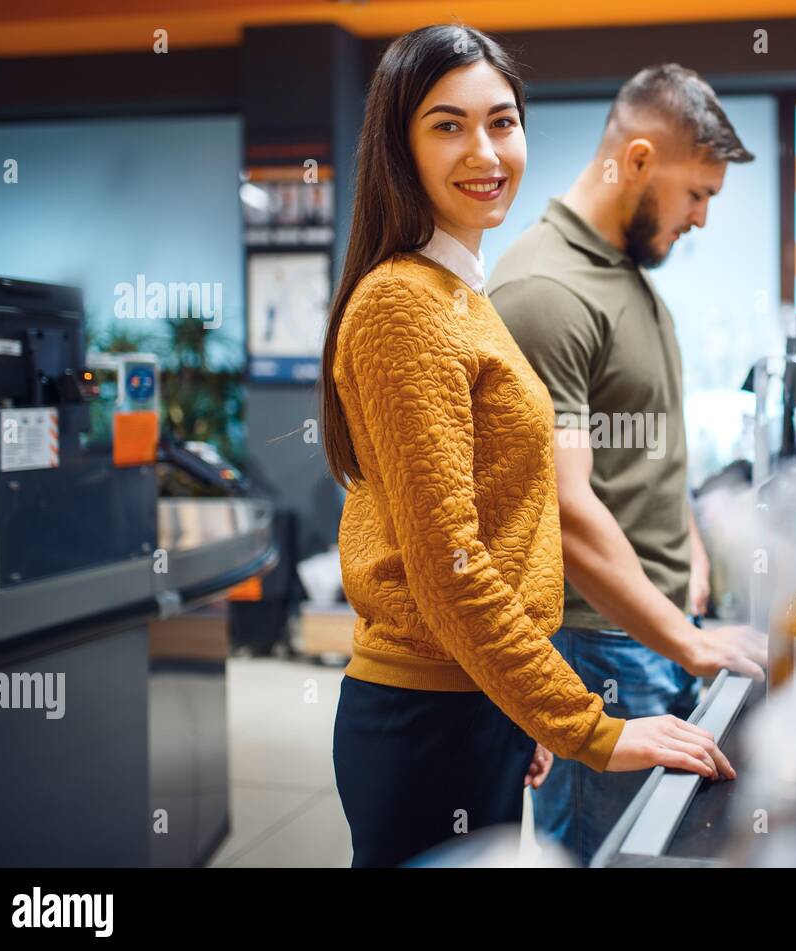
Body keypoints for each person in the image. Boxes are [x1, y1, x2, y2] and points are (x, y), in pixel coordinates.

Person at [320, 26, 734, 868]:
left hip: (472, 701)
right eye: (447, 125)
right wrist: (585, 724)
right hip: (422, 720)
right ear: (398, 144)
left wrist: (519, 705)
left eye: (501, 121)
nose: (485, 150)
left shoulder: (460, 297)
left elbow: (507, 527)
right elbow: (450, 566)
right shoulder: (403, 304)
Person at [488, 64, 767, 865]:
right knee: (607, 856)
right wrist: (689, 638)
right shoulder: (547, 290)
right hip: (595, 643)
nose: (704, 218)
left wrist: (690, 544)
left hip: (646, 631)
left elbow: (637, 438)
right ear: (638, 160)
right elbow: (565, 510)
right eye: (697, 194)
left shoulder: (622, 277)